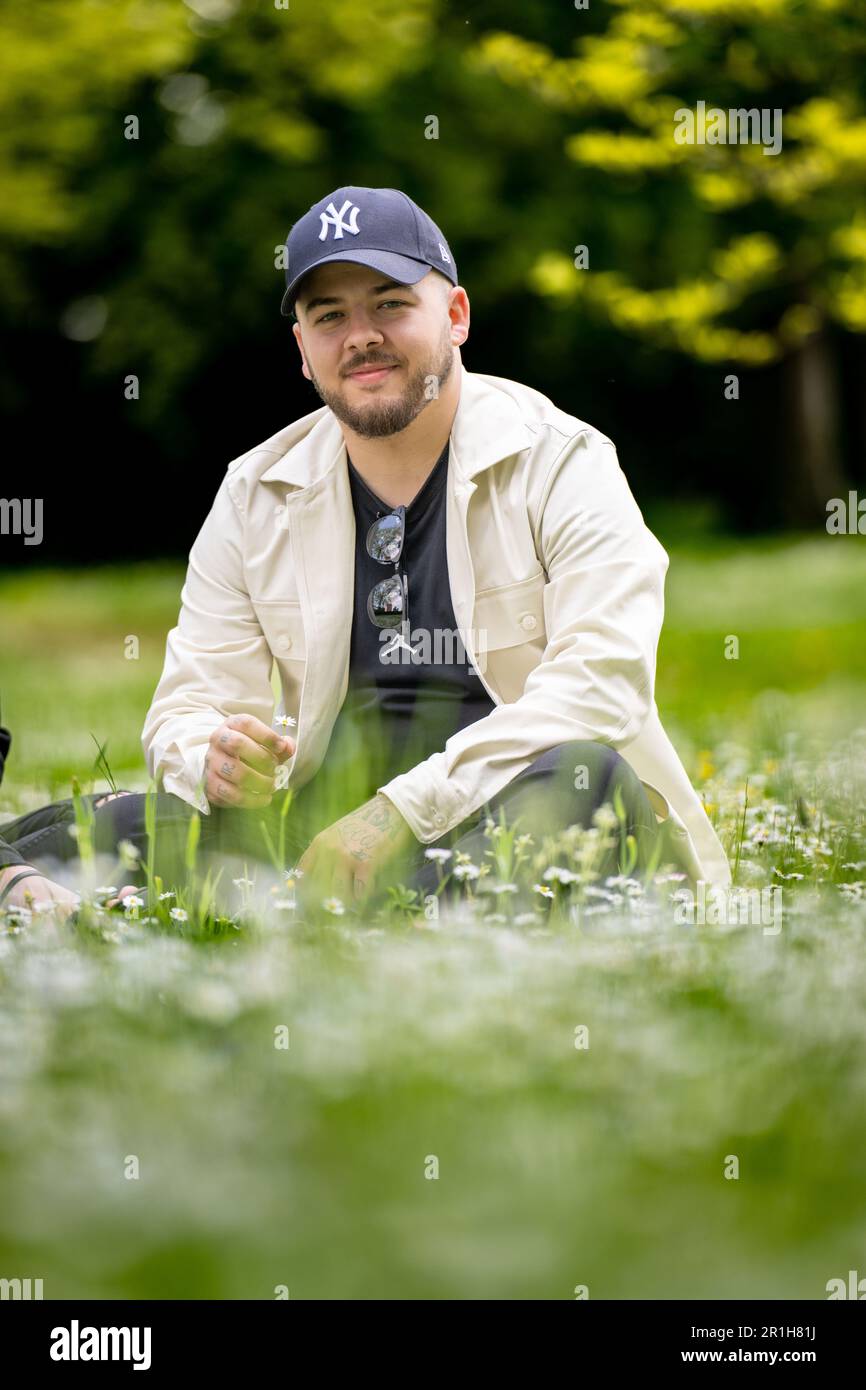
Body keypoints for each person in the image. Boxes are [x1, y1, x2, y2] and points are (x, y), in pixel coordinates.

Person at [3, 186, 731, 913]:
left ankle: (320, 923)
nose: (360, 336)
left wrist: (399, 812)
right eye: (329, 316)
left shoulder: (562, 461)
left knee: (587, 773)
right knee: (112, 824)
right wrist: (214, 761)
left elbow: (602, 684)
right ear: (302, 351)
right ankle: (327, 916)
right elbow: (186, 705)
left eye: (389, 304)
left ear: (456, 317)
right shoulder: (256, 492)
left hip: (502, 821)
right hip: (315, 849)